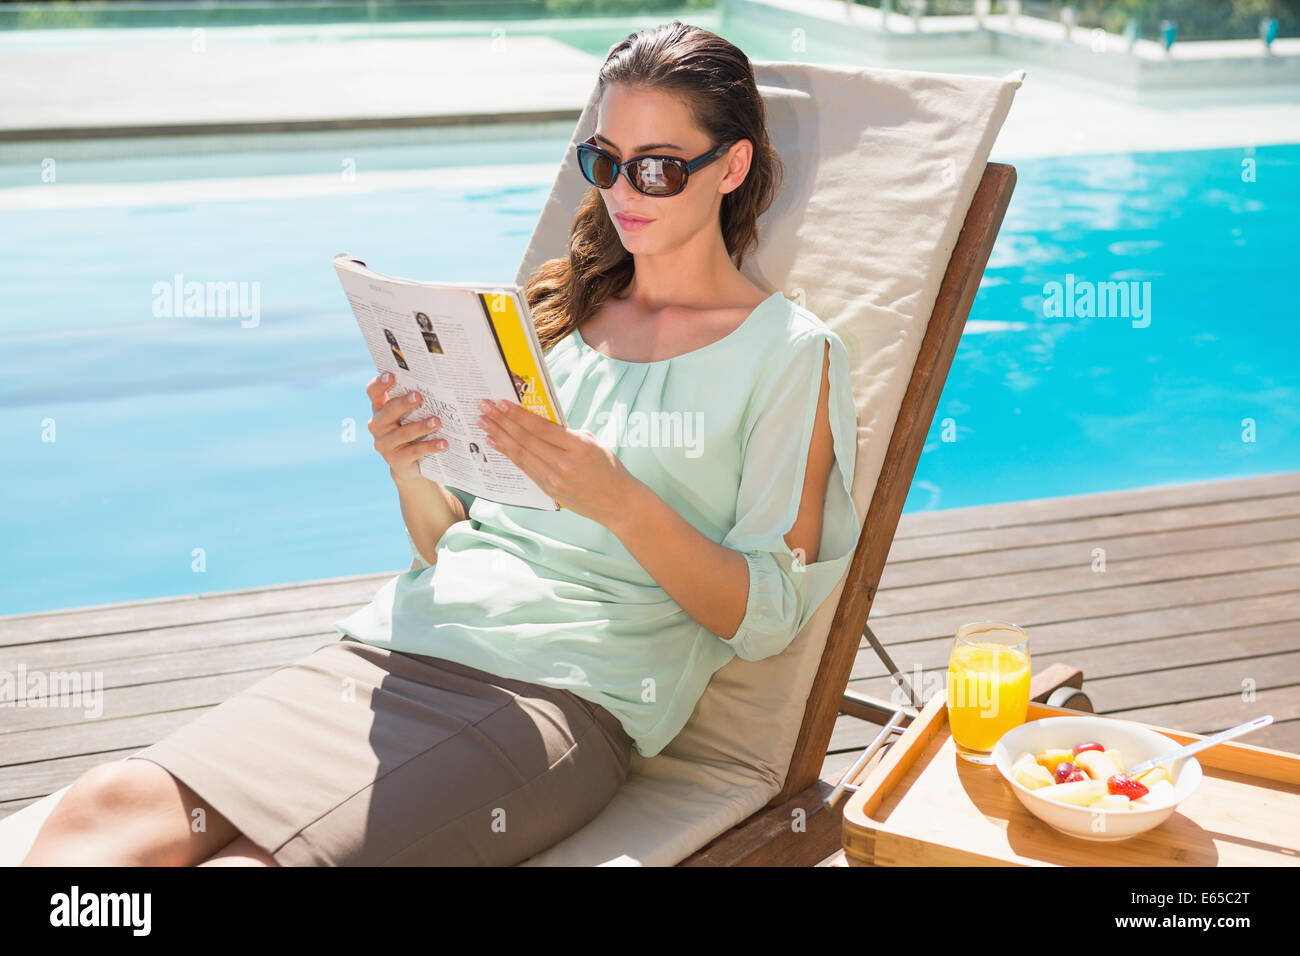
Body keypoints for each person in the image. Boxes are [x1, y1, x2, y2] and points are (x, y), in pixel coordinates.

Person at [19, 19, 859, 867]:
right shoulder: (555, 320)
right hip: (392, 649)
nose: (623, 192)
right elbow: (451, 543)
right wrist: (410, 467)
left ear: (733, 165)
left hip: (552, 698)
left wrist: (622, 503)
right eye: (605, 162)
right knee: (101, 808)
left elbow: (765, 618)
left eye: (657, 167)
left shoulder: (786, 355)